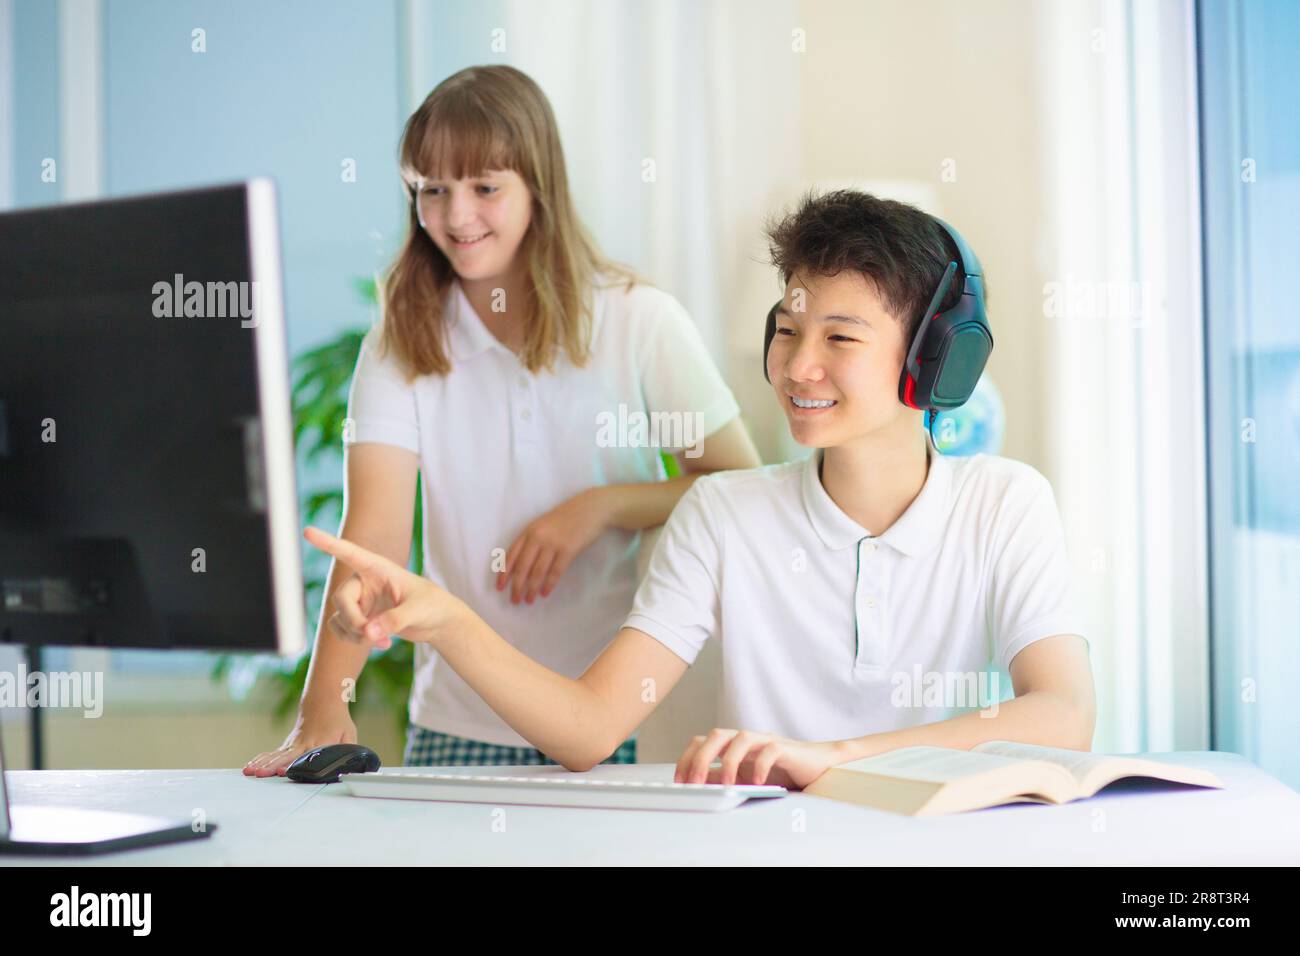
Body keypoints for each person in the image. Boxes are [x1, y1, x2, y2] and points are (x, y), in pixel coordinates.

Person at [298, 189, 1095, 788]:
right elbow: (587, 730)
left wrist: (834, 758)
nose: (796, 364)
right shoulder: (723, 514)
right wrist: (452, 623)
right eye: (786, 329)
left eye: (839, 338)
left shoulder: (1005, 503)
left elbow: (1062, 716)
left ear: (937, 360)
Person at [243, 65, 760, 776]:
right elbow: (376, 536)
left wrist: (602, 507)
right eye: (433, 190)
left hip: (619, 717)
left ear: (538, 186)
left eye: (485, 187)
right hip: (458, 718)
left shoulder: (640, 321)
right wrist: (324, 703)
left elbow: (739, 486)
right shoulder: (401, 341)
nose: (457, 218)